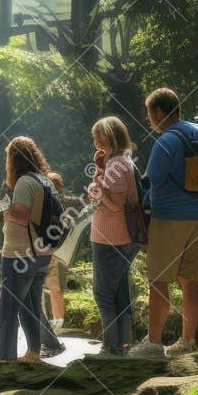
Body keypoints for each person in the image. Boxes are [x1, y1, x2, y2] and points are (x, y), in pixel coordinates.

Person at [128, 88, 198, 359]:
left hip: (168, 218)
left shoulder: (166, 141)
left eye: (149, 114)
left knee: (158, 280)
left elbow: (149, 182)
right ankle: (187, 341)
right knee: (189, 280)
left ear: (159, 112)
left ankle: (153, 344)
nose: (149, 119)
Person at [0, 137, 63, 363]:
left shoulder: (25, 182)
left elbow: (22, 214)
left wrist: (4, 209)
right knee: (30, 307)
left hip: (20, 255)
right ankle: (33, 352)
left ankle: (4, 361)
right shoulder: (45, 181)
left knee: (7, 311)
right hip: (42, 254)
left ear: (13, 160)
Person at [87, 116, 141, 356]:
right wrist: (100, 173)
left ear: (112, 136)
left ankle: (110, 345)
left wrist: (98, 186)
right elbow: (104, 194)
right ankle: (122, 343)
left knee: (103, 293)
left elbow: (115, 203)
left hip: (110, 238)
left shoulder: (117, 164)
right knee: (119, 291)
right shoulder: (118, 161)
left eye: (100, 136)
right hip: (118, 236)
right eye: (95, 136)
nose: (96, 141)